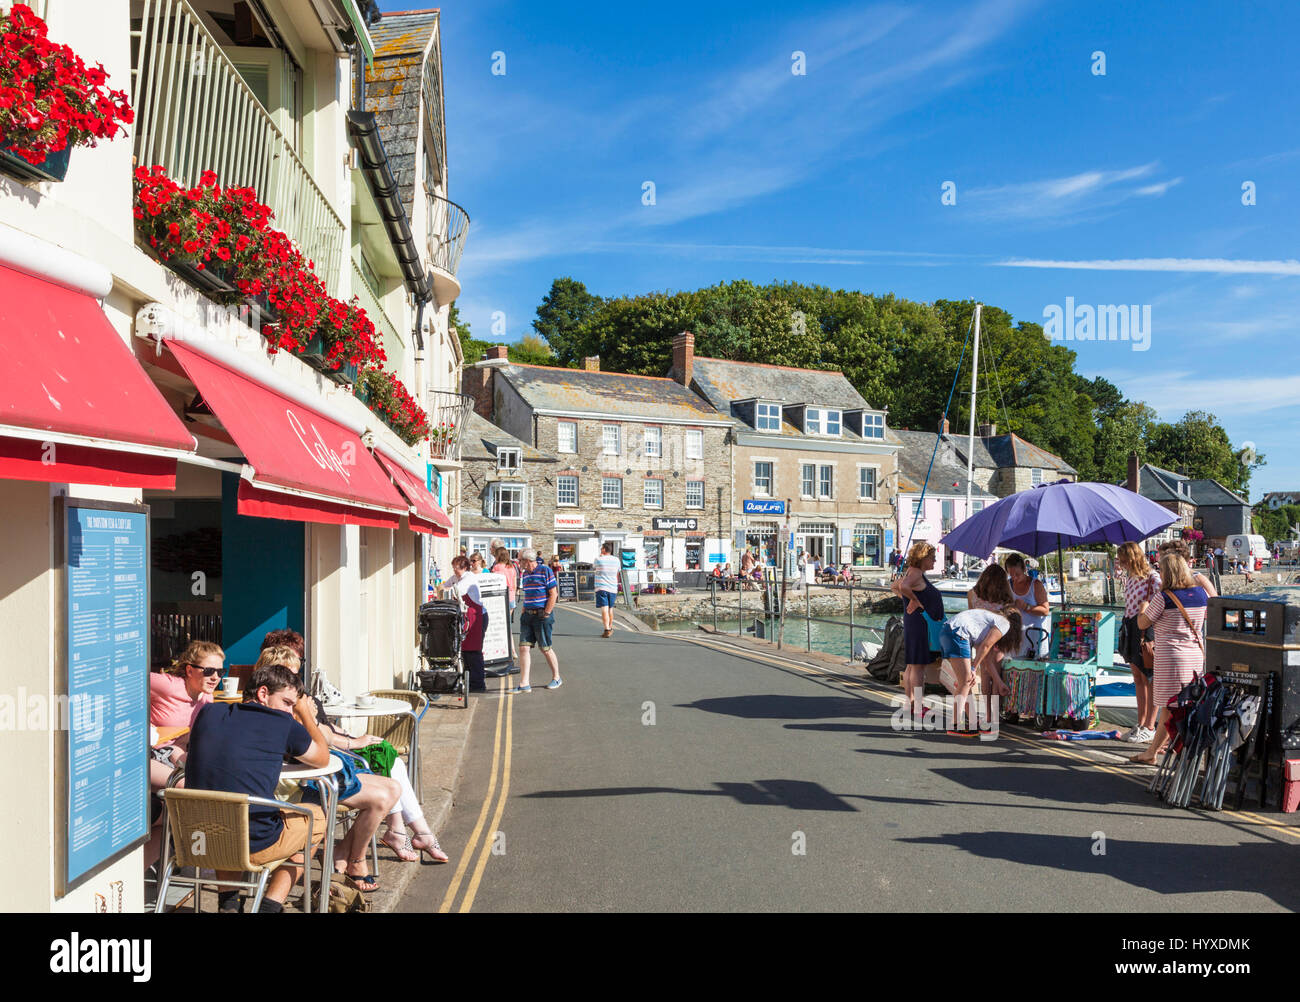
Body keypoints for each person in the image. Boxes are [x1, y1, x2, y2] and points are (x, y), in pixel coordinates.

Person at [258, 633, 448, 866]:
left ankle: (405, 832)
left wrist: (350, 738)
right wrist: (350, 741)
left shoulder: (302, 699)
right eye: (288, 673)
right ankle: (393, 838)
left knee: (389, 759)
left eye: (298, 668)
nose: (295, 680)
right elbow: (318, 747)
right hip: (310, 778)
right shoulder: (285, 710)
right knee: (386, 773)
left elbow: (327, 732)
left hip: (324, 763)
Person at [184, 663, 331, 913]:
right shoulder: (283, 724)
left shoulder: (207, 713)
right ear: (263, 694)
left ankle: (228, 903)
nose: (289, 710)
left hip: (198, 840)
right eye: (287, 702)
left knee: (226, 809)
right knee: (316, 816)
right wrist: (305, 712)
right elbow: (322, 757)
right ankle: (270, 905)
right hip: (254, 843)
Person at [1131, 552, 1208, 766]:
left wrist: (1142, 609)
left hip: (1171, 657)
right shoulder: (1201, 594)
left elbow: (1143, 624)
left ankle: (1152, 752)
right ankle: (1162, 747)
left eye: (1162, 570)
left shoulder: (1163, 597)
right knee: (1184, 704)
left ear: (1168, 573)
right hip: (1194, 655)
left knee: (1169, 706)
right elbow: (1208, 615)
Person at [148, 640, 221, 790]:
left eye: (220, 672)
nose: (215, 677)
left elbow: (180, 744)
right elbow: (127, 681)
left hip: (172, 752)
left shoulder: (207, 698)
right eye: (209, 671)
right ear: (189, 671)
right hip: (146, 753)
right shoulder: (168, 685)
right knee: (185, 786)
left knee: (210, 776)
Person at [939, 605, 1021, 732]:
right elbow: (985, 646)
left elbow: (986, 659)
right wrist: (973, 668)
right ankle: (955, 724)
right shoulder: (1004, 623)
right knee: (966, 681)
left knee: (965, 683)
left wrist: (999, 683)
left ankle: (972, 723)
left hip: (948, 630)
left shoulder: (984, 624)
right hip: (958, 633)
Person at [892, 541, 945, 719]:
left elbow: (895, 586)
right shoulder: (915, 573)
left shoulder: (914, 572)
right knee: (918, 667)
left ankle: (911, 704)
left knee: (911, 666)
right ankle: (917, 706)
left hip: (916, 622)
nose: (935, 561)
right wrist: (914, 600)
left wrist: (907, 599)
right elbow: (902, 587)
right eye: (932, 558)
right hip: (921, 624)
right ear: (923, 558)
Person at [1116, 541, 1160, 745]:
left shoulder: (1152, 577)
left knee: (1148, 676)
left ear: (1132, 558)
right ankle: (1141, 722)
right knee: (1137, 676)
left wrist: (1147, 609)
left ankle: (1149, 725)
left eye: (1123, 560)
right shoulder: (1131, 576)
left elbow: (1161, 600)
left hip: (1144, 626)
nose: (1121, 564)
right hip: (1130, 624)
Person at [512, 548, 561, 692]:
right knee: (523, 647)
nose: (518, 562)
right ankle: (524, 683)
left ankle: (557, 677)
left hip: (541, 616)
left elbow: (553, 594)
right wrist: (523, 610)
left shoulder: (545, 571)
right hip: (527, 615)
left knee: (545, 648)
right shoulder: (525, 574)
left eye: (520, 560)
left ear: (527, 561)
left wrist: (546, 613)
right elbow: (528, 594)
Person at [441, 556, 488, 693]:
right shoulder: (456, 577)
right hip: (466, 617)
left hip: (477, 617)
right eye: (454, 567)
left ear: (465, 568)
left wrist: (444, 589)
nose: (455, 570)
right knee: (465, 651)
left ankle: (478, 684)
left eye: (458, 567)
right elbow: (444, 586)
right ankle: (468, 682)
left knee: (473, 651)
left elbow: (455, 592)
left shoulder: (469, 578)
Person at [1004, 553, 1050, 659]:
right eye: (1011, 575)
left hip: (1033, 635)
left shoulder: (1036, 584)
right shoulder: (1007, 584)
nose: (1014, 578)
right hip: (1015, 636)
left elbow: (1045, 610)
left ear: (1024, 569)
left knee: (1034, 668)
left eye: (1017, 574)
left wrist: (1026, 607)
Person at [594, 541, 620, 638]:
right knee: (610, 609)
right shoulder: (617, 560)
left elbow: (595, 569)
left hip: (601, 587)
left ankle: (607, 629)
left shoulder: (598, 559)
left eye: (601, 548)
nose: (601, 550)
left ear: (604, 550)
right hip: (613, 587)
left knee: (604, 609)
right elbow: (618, 573)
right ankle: (610, 626)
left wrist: (600, 557)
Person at [492, 546, 518, 615]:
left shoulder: (497, 567)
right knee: (508, 619)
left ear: (498, 556)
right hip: (511, 594)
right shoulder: (512, 567)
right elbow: (515, 585)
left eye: (495, 555)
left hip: (501, 595)